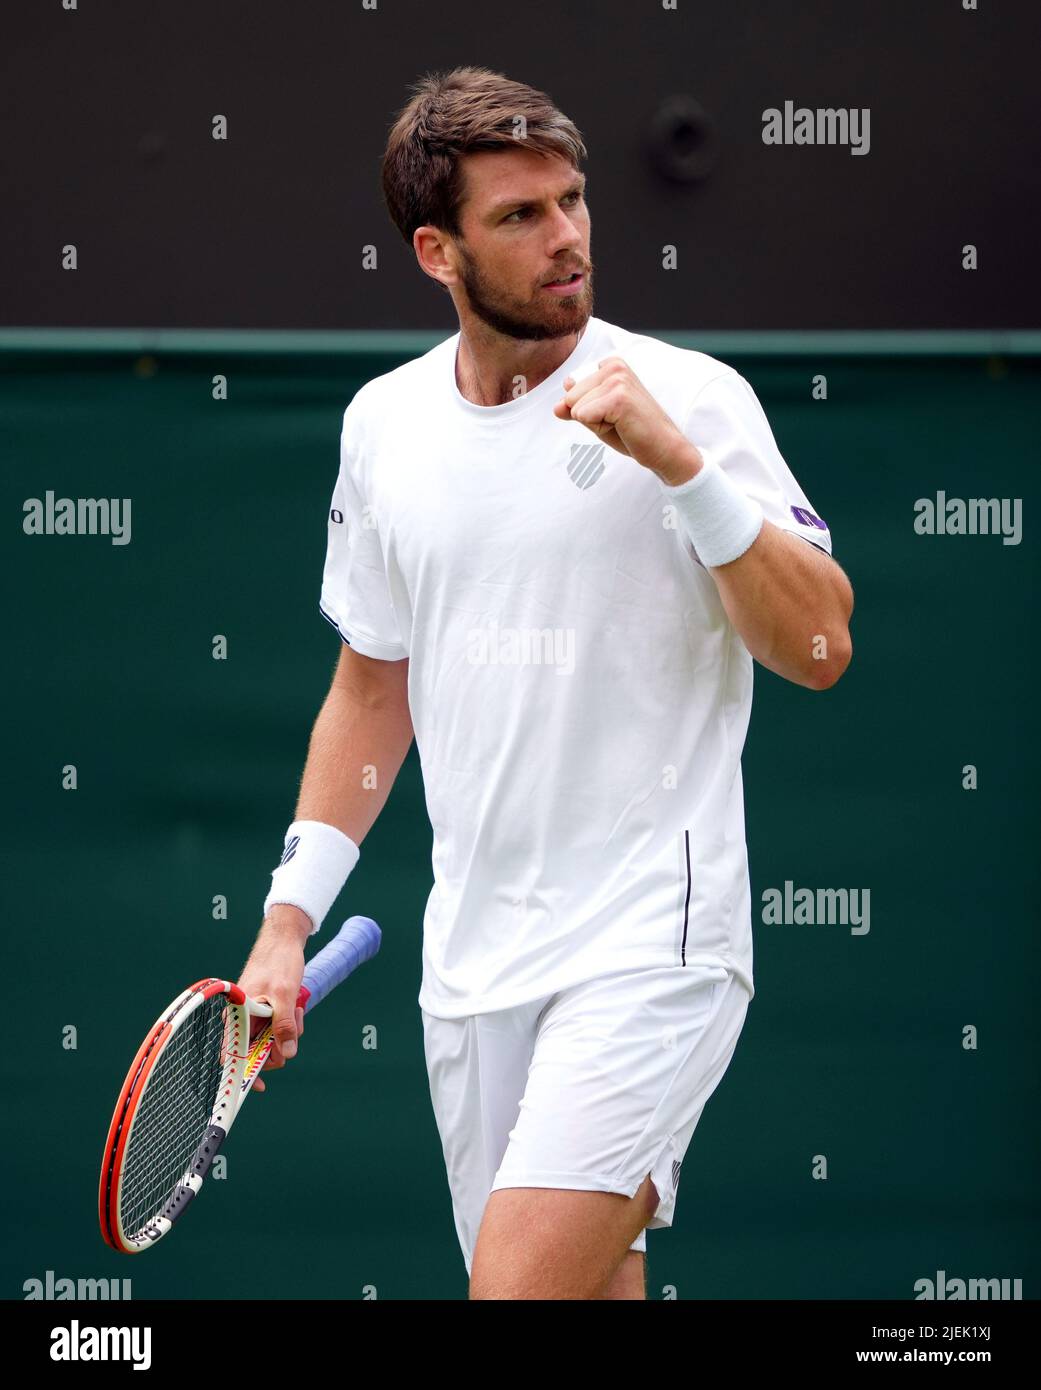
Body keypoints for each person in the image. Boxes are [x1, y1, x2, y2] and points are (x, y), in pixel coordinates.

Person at [238, 65, 854, 1300]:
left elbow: (822, 648)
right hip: (470, 969)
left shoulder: (692, 397)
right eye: (519, 216)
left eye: (572, 201)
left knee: (514, 1291)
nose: (566, 235)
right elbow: (372, 688)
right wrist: (286, 918)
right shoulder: (384, 426)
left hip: (652, 944)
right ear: (436, 251)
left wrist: (679, 466)